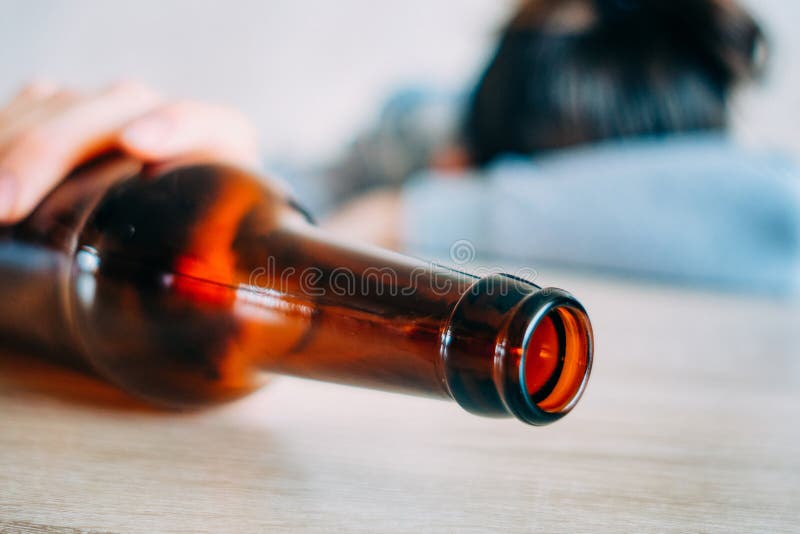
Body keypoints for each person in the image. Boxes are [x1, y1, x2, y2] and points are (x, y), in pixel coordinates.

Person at [0, 0, 797, 292]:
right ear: (460, 151)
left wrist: (412, 218)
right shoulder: (423, 126)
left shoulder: (725, 190)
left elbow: (771, 208)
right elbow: (296, 185)